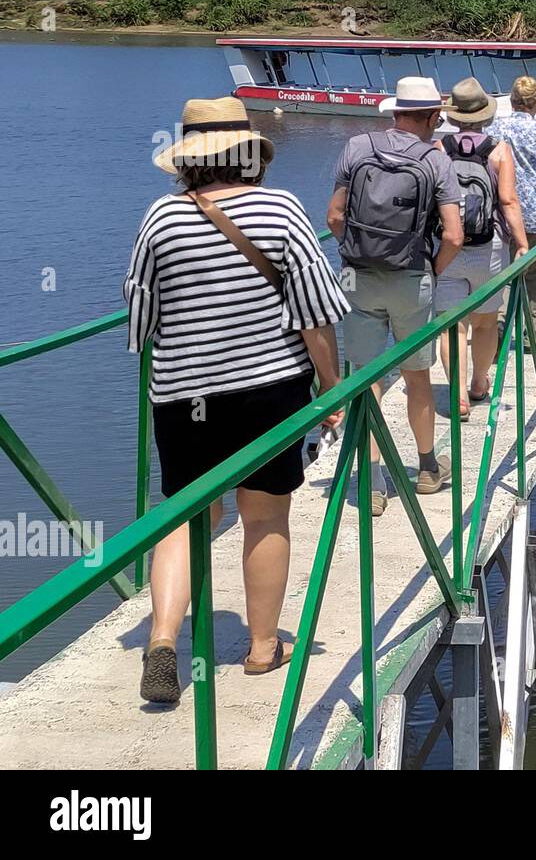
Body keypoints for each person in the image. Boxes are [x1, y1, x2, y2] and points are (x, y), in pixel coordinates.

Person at [125, 97, 350, 705]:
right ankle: (260, 648)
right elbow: (315, 312)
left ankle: (164, 640)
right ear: (250, 153)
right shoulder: (280, 210)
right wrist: (333, 389)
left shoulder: (160, 217)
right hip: (268, 390)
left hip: (182, 393)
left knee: (185, 514)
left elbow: (139, 319)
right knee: (264, 513)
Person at [327, 76, 463, 517]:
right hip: (412, 279)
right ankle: (427, 469)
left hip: (357, 277)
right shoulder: (435, 160)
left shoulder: (356, 148)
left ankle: (372, 482)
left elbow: (333, 217)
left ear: (394, 111)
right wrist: (430, 271)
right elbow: (455, 236)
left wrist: (357, 252)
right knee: (417, 377)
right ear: (430, 117)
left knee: (366, 379)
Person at [434, 78, 530, 416]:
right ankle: (478, 382)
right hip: (489, 248)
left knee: (451, 325)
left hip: (448, 246)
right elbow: (507, 200)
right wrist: (521, 243)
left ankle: (457, 395)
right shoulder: (499, 150)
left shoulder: (440, 148)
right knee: (486, 322)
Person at [486, 76, 536, 326]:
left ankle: (498, 322)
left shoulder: (495, 129)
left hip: (501, 212)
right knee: (533, 275)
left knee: (501, 271)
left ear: (512, 101)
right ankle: (528, 330)